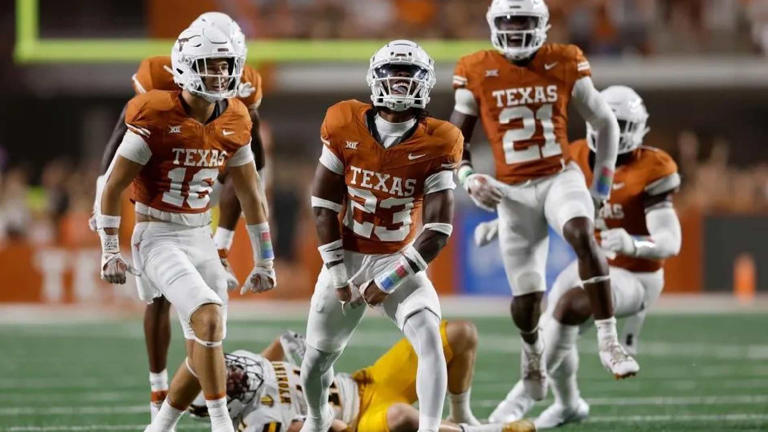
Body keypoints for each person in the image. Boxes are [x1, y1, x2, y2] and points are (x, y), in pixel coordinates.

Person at [449, 0, 636, 401]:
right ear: (494, 24)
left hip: (558, 177)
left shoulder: (564, 60)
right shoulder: (476, 68)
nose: (516, 29)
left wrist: (601, 189)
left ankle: (609, 341)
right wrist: (468, 178)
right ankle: (532, 353)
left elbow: (604, 122)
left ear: (543, 25)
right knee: (527, 300)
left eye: (524, 21)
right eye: (509, 21)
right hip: (512, 192)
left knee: (581, 233)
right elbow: (453, 141)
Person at [95, 23, 276, 432]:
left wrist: (265, 259)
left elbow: (251, 193)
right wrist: (109, 249)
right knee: (207, 317)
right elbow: (113, 184)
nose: (220, 73)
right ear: (186, 65)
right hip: (157, 235)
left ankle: (159, 427)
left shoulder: (236, 116)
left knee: (205, 347)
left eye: (226, 64)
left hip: (200, 235)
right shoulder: (155, 112)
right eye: (211, 64)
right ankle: (221, 425)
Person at [484, 86, 682, 428]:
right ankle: (569, 404)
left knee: (570, 307)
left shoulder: (653, 167)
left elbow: (671, 242)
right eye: (610, 121)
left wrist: (634, 244)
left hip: (637, 275)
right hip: (591, 263)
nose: (613, 131)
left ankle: (516, 403)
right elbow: (542, 198)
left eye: (622, 124)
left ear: (639, 129)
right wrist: (505, 220)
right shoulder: (573, 155)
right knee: (549, 326)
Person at [301, 40, 463, 432]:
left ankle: (429, 429)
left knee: (430, 338)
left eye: (410, 75)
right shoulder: (344, 122)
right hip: (348, 254)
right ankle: (317, 421)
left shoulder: (440, 140)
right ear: (376, 78)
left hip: (398, 257)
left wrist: (388, 281)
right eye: (393, 73)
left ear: (426, 83)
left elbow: (438, 230)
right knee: (316, 361)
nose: (401, 82)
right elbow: (323, 204)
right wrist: (339, 276)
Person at [190, 321, 535, 432]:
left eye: (227, 371)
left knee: (460, 334)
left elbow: (272, 353)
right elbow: (331, 428)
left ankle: (460, 415)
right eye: (228, 381)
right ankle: (487, 431)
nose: (234, 374)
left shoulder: (246, 366)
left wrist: (286, 342)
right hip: (359, 420)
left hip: (364, 382)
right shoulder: (257, 423)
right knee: (401, 418)